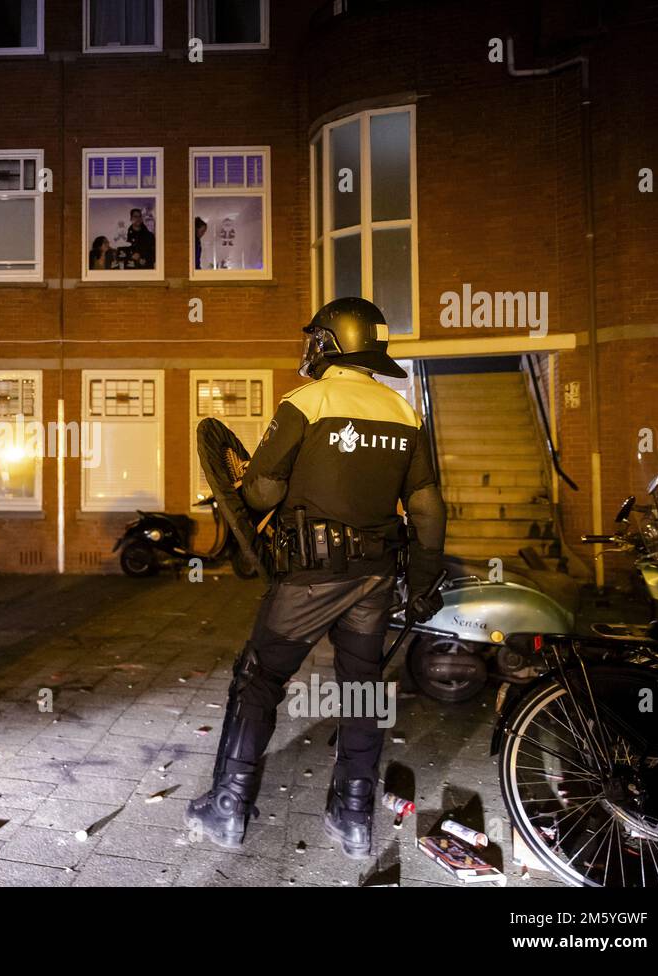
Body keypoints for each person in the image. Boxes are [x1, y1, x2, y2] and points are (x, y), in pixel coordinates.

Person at [185, 297, 446, 859]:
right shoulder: (405, 413)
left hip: (309, 576)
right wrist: (424, 578)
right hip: (374, 580)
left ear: (330, 343)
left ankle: (229, 806)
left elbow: (260, 491)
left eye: (315, 338)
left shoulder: (307, 400)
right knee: (362, 687)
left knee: (259, 678)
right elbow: (426, 505)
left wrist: (256, 483)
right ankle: (353, 818)